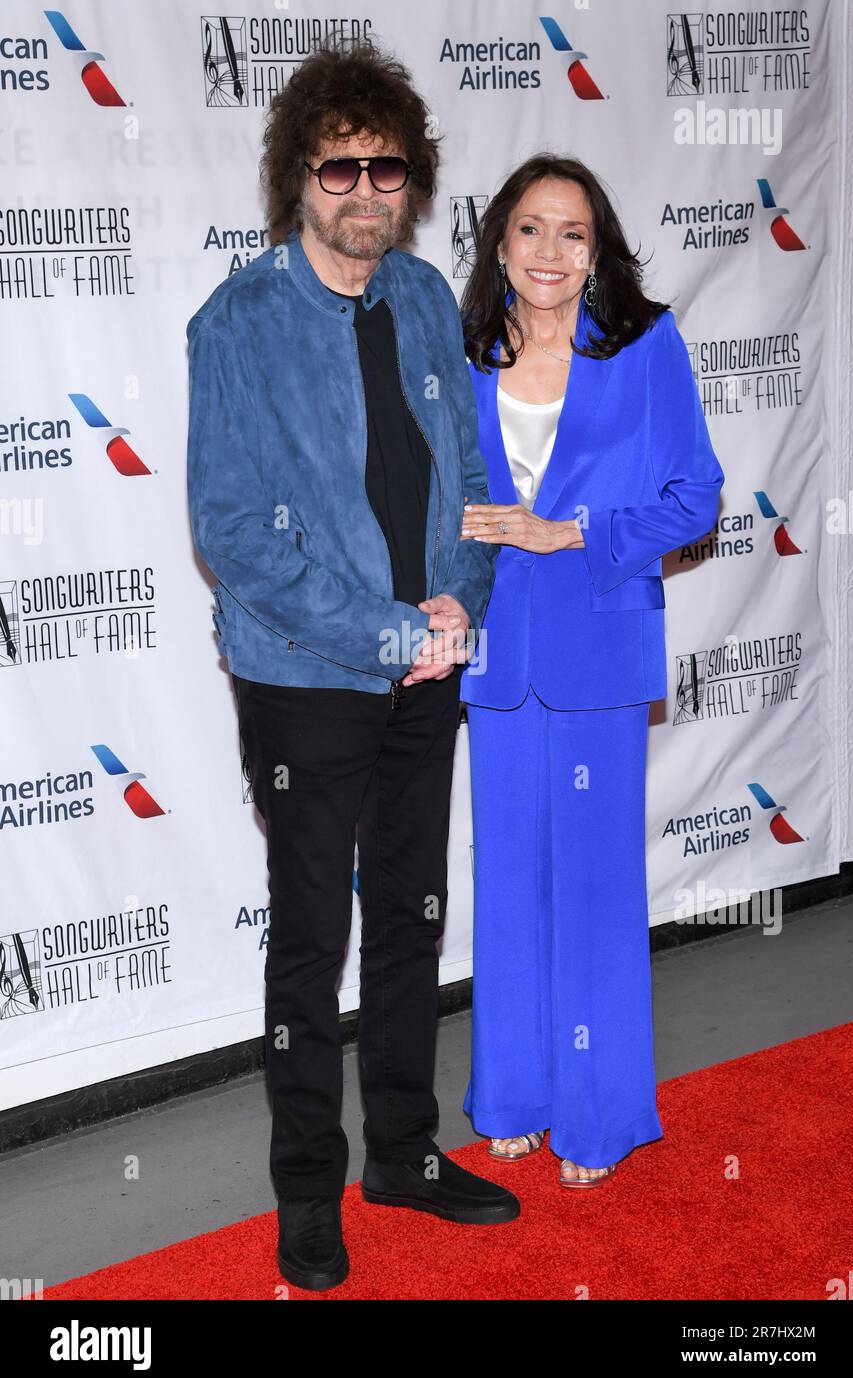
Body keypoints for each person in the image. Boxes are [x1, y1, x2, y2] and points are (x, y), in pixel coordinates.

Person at [185, 38, 516, 1293]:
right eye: (339, 166)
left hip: (424, 677)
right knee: (311, 941)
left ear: (411, 177)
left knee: (411, 921)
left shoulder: (427, 297)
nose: (363, 188)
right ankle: (306, 1191)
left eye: (385, 165)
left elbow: (473, 486)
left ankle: (404, 1153)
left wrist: (456, 609)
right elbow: (235, 539)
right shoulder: (239, 324)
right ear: (297, 176)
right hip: (303, 682)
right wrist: (390, 631)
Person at [456, 153, 725, 1189]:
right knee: (508, 881)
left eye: (572, 233)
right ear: (499, 242)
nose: (549, 252)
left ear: (597, 248)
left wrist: (570, 532)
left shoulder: (643, 347)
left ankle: (600, 1115)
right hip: (494, 658)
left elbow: (693, 497)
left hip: (600, 647)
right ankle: (514, 1096)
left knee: (597, 888)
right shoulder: (466, 348)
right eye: (530, 229)